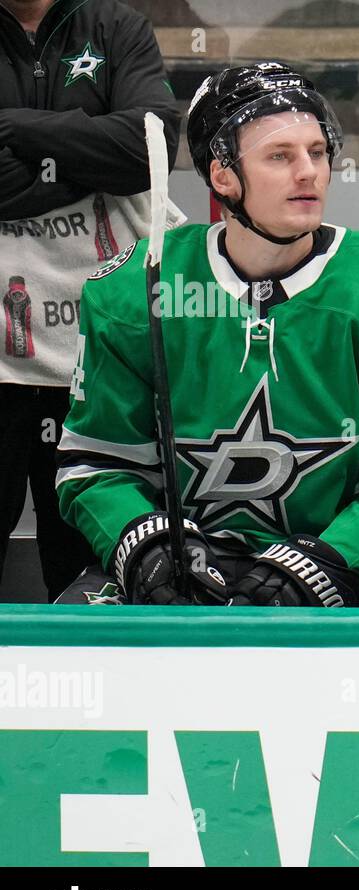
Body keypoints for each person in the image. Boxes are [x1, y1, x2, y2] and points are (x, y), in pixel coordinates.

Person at [54, 63, 359, 608]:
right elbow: (97, 463)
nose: (309, 173)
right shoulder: (138, 289)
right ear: (224, 176)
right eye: (280, 156)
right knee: (85, 644)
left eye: (318, 152)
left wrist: (326, 561)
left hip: (352, 562)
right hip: (191, 560)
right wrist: (145, 545)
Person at [1, 0, 179, 599]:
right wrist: (87, 163)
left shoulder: (116, 26)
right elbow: (120, 158)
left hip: (104, 352)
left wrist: (12, 129)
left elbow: (147, 150)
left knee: (93, 578)